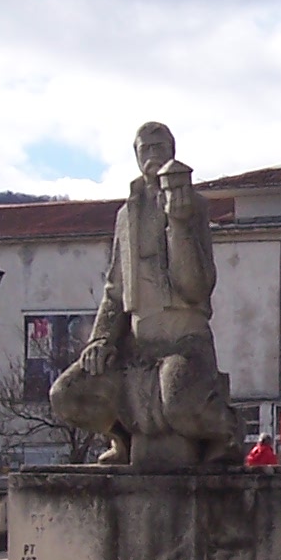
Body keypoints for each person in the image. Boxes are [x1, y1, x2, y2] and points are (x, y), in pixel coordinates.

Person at [49, 121, 240, 467]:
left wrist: (178, 224)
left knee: (179, 402)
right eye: (145, 148)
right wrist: (101, 339)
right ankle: (120, 438)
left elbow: (197, 288)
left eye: (159, 147)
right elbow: (115, 288)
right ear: (136, 156)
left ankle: (226, 433)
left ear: (173, 152)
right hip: (136, 345)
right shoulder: (126, 214)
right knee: (67, 394)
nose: (152, 154)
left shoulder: (193, 206)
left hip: (184, 340)